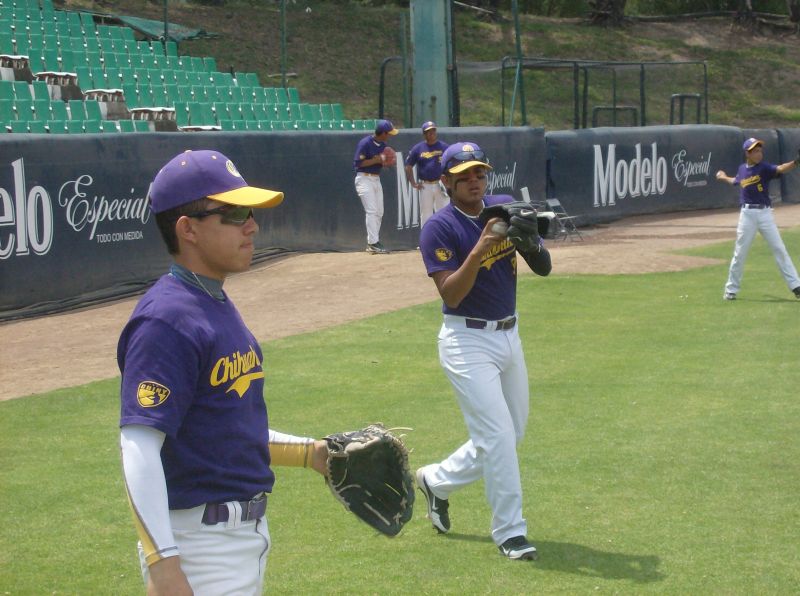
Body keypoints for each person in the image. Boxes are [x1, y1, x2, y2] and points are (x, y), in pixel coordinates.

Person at [118, 149, 331, 595]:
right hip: (197, 548)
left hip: (236, 540)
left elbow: (225, 426)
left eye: (249, 211)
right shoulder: (167, 319)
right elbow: (138, 446)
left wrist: (311, 453)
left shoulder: (210, 301)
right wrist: (163, 566)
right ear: (188, 229)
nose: (252, 224)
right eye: (234, 213)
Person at [415, 141, 551, 561]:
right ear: (446, 181)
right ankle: (511, 532)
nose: (474, 181)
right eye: (464, 176)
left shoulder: (503, 206)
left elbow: (544, 267)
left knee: (511, 434)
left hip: (510, 334)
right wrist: (482, 246)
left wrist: (528, 241)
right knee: (497, 436)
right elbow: (451, 295)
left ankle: (436, 481)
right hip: (466, 340)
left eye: (479, 173)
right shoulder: (439, 227)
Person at [715, 137, 800, 301]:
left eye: (760, 150)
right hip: (747, 215)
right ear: (747, 153)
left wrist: (796, 162)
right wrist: (723, 176)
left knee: (779, 249)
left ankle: (796, 286)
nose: (759, 153)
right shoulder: (742, 169)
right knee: (740, 253)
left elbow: (781, 168)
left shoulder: (764, 168)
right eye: (755, 150)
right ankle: (731, 289)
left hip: (765, 214)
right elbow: (736, 181)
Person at [352, 118, 398, 254]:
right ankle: (373, 243)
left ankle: (373, 242)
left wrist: (387, 161)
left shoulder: (383, 146)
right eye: (389, 133)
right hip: (364, 178)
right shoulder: (365, 143)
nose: (390, 136)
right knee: (371, 211)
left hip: (376, 179)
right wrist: (377, 160)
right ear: (383, 133)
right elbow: (358, 164)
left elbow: (385, 161)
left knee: (379, 211)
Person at [404, 120, 449, 227]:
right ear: (424, 134)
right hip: (426, 185)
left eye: (433, 130)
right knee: (426, 214)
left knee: (443, 212)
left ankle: (445, 238)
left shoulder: (444, 147)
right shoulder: (418, 148)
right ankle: (426, 241)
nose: (432, 133)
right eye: (429, 131)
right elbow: (408, 166)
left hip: (441, 184)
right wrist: (413, 183)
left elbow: (452, 163)